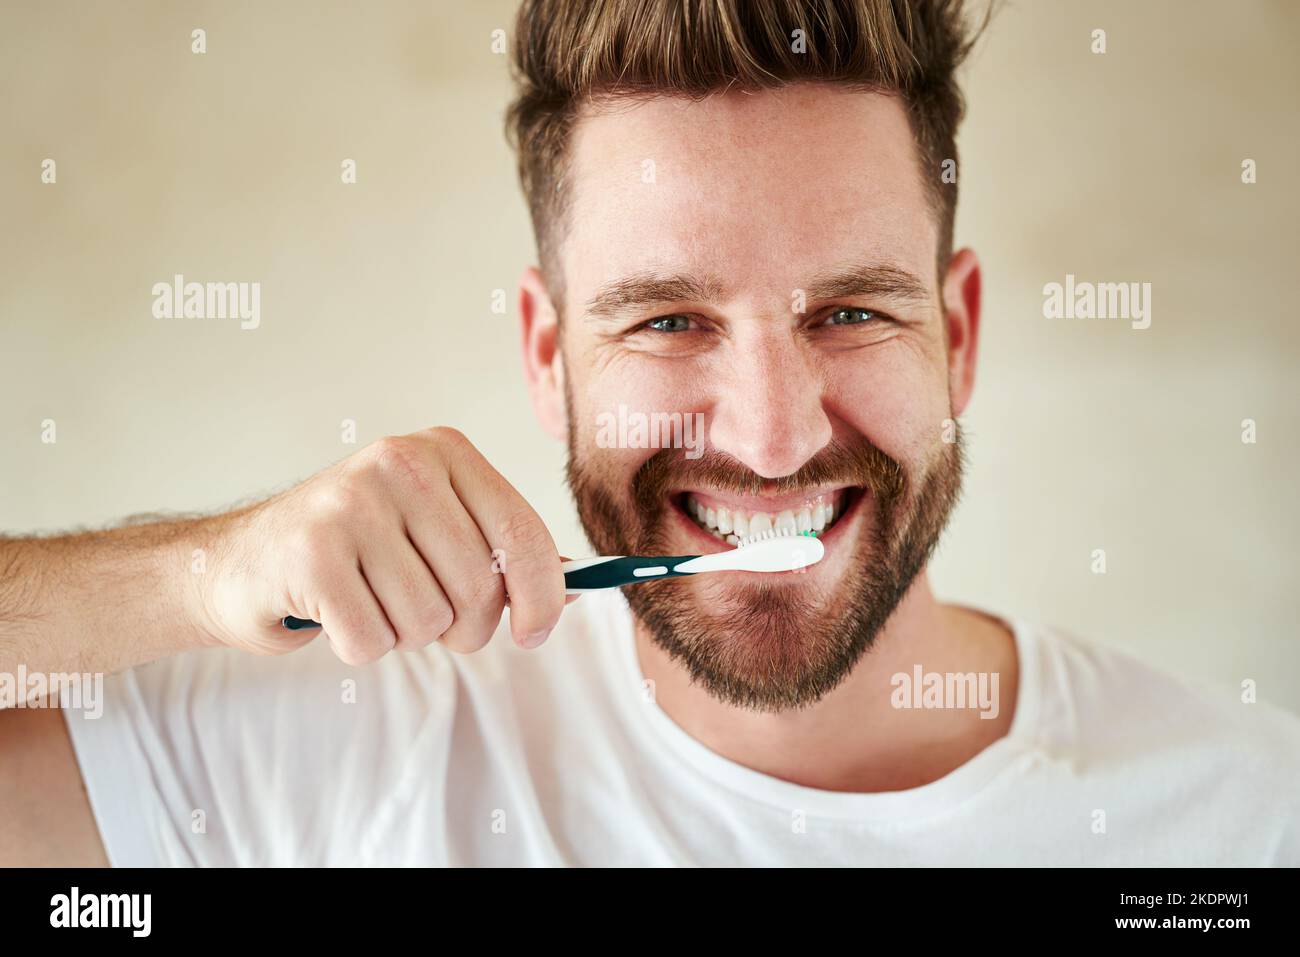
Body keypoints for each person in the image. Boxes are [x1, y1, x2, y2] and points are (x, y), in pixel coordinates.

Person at [2, 0, 1296, 866]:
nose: (776, 437)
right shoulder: (334, 748)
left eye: (850, 310)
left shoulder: (1245, 815)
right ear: (548, 356)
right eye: (671, 321)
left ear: (957, 334)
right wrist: (187, 575)